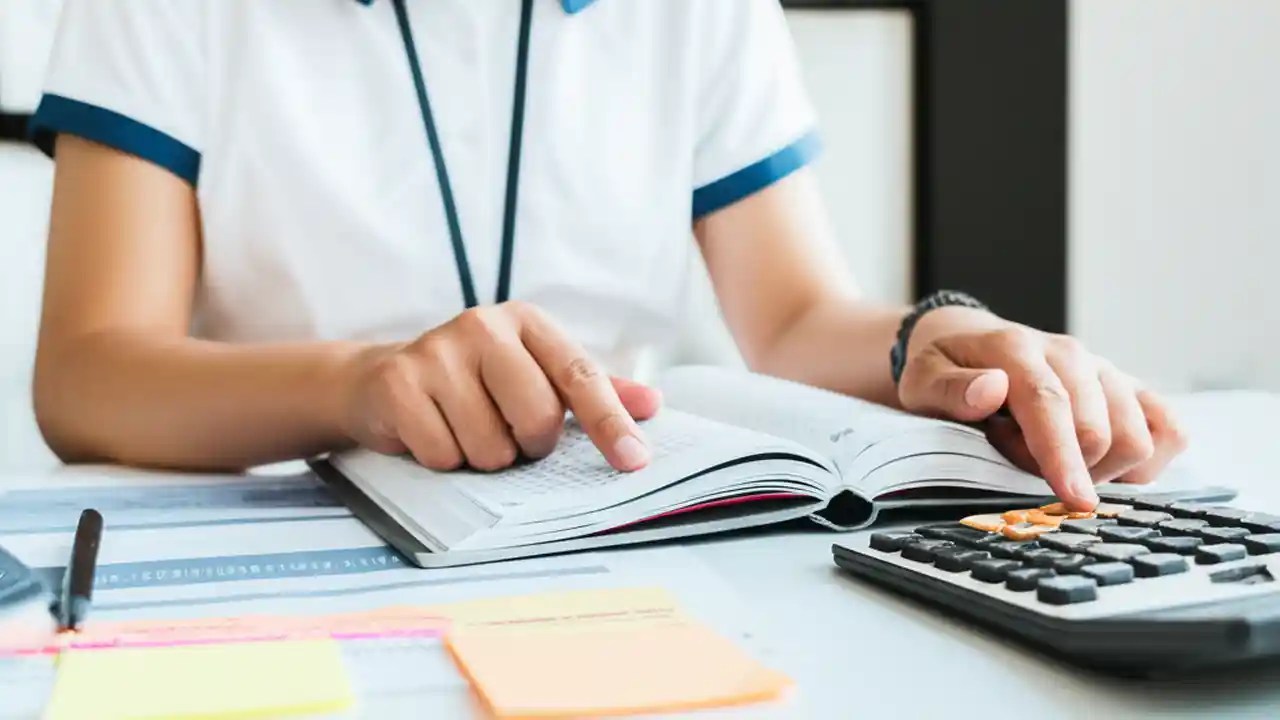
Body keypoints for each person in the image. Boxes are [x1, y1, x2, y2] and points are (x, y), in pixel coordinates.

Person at [28, 0, 1184, 512]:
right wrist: (354, 385)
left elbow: (786, 321)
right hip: (288, 522)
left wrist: (931, 334)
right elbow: (88, 377)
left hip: (613, 520)